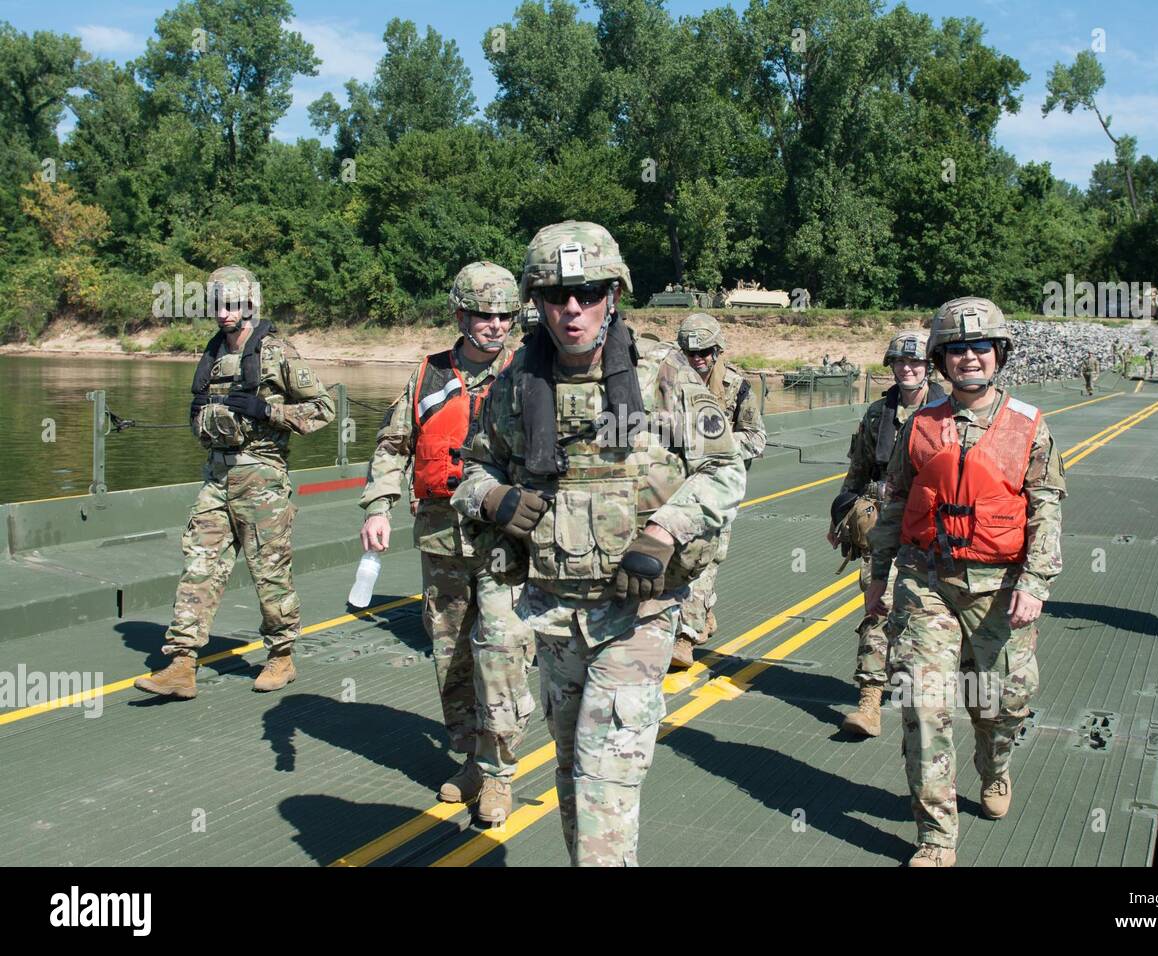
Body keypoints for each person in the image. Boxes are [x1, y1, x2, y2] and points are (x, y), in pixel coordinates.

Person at [452, 221, 745, 866]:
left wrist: (663, 533)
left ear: (614, 294)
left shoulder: (661, 379)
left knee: (605, 778)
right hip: (553, 612)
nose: (573, 309)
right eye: (557, 296)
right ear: (537, 301)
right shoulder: (515, 383)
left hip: (637, 611)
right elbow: (472, 471)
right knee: (570, 777)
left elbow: (725, 467)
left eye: (588, 293)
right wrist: (494, 499)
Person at [865, 297, 1066, 866]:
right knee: (923, 704)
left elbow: (1046, 505)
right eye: (956, 350)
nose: (969, 358)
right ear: (940, 361)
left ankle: (995, 767)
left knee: (1003, 703)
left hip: (1001, 586)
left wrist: (1036, 580)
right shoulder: (921, 425)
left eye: (980, 348)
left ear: (998, 354)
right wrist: (878, 577)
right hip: (926, 580)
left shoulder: (1029, 424)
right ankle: (935, 837)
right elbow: (896, 502)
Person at [358, 261, 532, 823]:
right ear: (460, 314)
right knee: (451, 653)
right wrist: (378, 506)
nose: (497, 325)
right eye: (485, 315)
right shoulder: (428, 375)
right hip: (440, 535)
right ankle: (472, 760)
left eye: (506, 315)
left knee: (502, 651)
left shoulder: (530, 372)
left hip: (506, 537)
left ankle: (501, 773)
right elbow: (392, 445)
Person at [134, 266, 335, 700]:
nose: (224, 314)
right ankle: (182, 662)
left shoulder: (276, 352)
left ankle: (281, 655)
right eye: (217, 305)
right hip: (216, 475)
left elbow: (326, 407)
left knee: (270, 571)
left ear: (249, 304)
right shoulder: (213, 353)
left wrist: (270, 413)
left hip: (261, 476)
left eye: (232, 305)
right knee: (199, 565)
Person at [828, 331, 945, 737]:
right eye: (900, 363)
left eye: (914, 363)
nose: (907, 369)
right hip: (884, 523)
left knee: (931, 618)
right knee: (877, 604)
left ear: (928, 367)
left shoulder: (948, 413)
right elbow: (858, 471)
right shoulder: (878, 415)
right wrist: (840, 516)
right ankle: (870, 701)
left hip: (936, 527)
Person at [669, 312, 766, 668]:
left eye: (705, 352)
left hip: (717, 486)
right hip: (676, 486)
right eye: (689, 352)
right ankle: (703, 613)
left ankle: (685, 637)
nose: (697, 359)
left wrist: (717, 443)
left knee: (705, 559)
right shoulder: (668, 384)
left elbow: (757, 437)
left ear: (717, 350)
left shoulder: (737, 388)